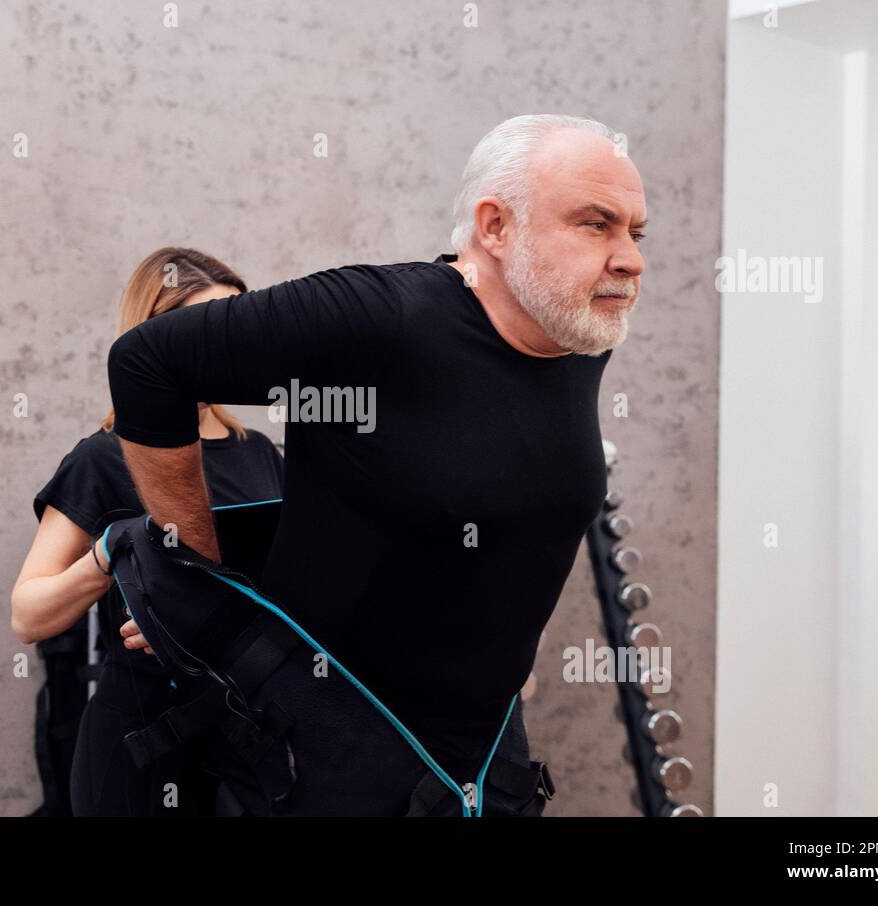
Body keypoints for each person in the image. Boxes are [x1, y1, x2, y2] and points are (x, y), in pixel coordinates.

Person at [104, 114, 647, 796]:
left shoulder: (579, 340)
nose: (630, 257)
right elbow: (146, 363)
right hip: (329, 746)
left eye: (635, 232)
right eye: (596, 224)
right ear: (496, 227)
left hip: (480, 757)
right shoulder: (376, 316)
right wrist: (200, 584)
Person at [11, 247, 285, 816]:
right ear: (152, 338)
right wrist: (111, 550)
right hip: (141, 738)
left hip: (254, 728)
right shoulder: (104, 459)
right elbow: (28, 615)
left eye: (235, 327)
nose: (225, 350)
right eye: (205, 329)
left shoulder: (260, 454)